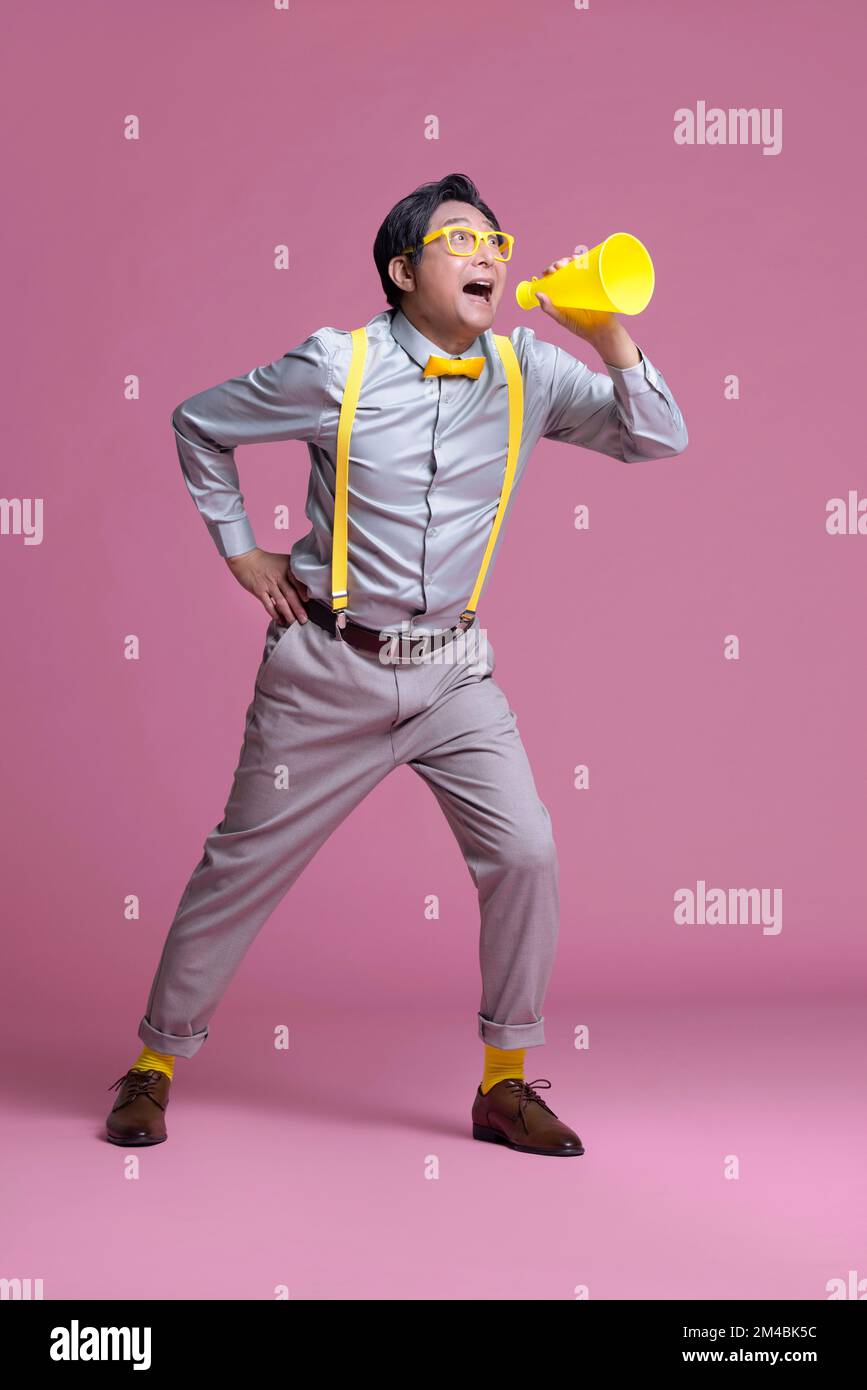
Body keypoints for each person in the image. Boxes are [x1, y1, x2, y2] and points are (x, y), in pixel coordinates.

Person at [105, 172, 688, 1156]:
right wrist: (238, 545)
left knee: (527, 852)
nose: (490, 254)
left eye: (498, 241)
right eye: (462, 238)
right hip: (328, 667)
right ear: (402, 268)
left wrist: (610, 335)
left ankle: (504, 1085)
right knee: (239, 867)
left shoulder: (528, 374)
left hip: (455, 671)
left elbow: (657, 435)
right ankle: (154, 1063)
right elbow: (197, 421)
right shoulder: (336, 365)